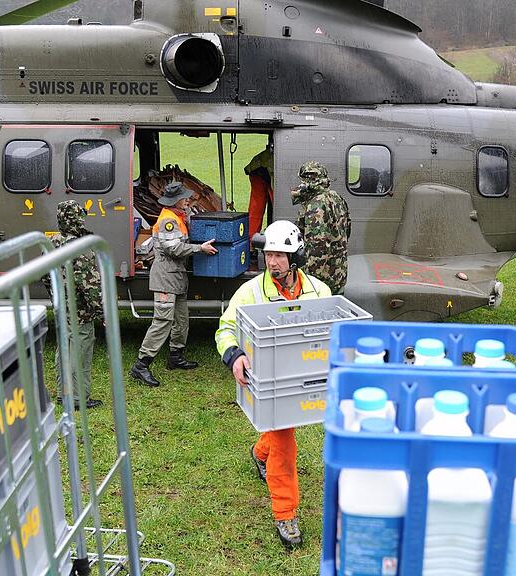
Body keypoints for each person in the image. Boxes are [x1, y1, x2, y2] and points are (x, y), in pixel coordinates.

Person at [214, 220, 332, 549]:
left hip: (306, 375)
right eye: (268, 255)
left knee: (282, 434)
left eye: (280, 255)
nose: (272, 262)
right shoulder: (251, 292)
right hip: (269, 379)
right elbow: (225, 328)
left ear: (296, 258)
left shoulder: (320, 291)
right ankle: (285, 513)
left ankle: (259, 452)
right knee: (284, 441)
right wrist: (234, 355)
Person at [130, 181, 217, 387]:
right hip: (166, 278)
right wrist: (200, 248)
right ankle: (141, 364)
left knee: (181, 320)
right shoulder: (168, 221)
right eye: (184, 198)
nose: (188, 200)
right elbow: (174, 249)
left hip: (176, 277)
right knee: (162, 321)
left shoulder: (178, 217)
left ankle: (176, 356)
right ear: (175, 201)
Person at [47, 200, 103, 410]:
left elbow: (45, 276)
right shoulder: (81, 248)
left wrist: (55, 297)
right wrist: (103, 312)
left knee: (63, 351)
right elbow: (91, 288)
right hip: (80, 312)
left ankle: (64, 393)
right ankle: (78, 398)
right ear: (79, 220)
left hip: (61, 308)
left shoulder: (51, 243)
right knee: (79, 354)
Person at [291, 161, 351, 295]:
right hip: (339, 273)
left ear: (306, 181)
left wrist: (309, 281)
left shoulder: (316, 205)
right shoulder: (337, 197)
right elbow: (347, 230)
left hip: (321, 281)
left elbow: (317, 248)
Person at [244, 137, 274, 237]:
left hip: (257, 169)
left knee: (256, 207)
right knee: (276, 204)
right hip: (260, 171)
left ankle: (251, 240)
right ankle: (251, 239)